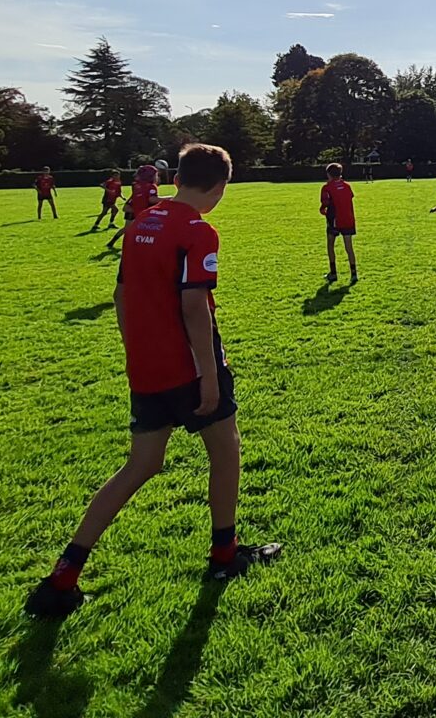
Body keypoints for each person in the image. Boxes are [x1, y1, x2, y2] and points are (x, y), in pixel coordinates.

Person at [23, 144, 281, 618]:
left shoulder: (141, 222)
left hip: (146, 368)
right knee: (226, 452)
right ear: (221, 185)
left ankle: (64, 574)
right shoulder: (198, 231)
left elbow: (121, 296)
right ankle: (225, 556)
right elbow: (194, 308)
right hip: (189, 367)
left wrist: (137, 354)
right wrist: (206, 375)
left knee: (140, 465)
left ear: (178, 176)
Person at [105, 164, 160, 251]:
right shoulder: (149, 186)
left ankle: (112, 242)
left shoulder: (137, 184)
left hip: (131, 206)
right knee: (135, 229)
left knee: (129, 228)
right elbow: (150, 199)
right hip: (135, 208)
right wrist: (168, 199)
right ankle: (126, 245)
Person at [320, 162, 358, 284]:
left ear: (329, 174)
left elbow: (325, 204)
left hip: (334, 220)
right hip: (348, 219)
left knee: (330, 245)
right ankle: (353, 274)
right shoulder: (347, 186)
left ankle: (333, 273)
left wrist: (323, 210)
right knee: (349, 247)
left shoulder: (327, 188)